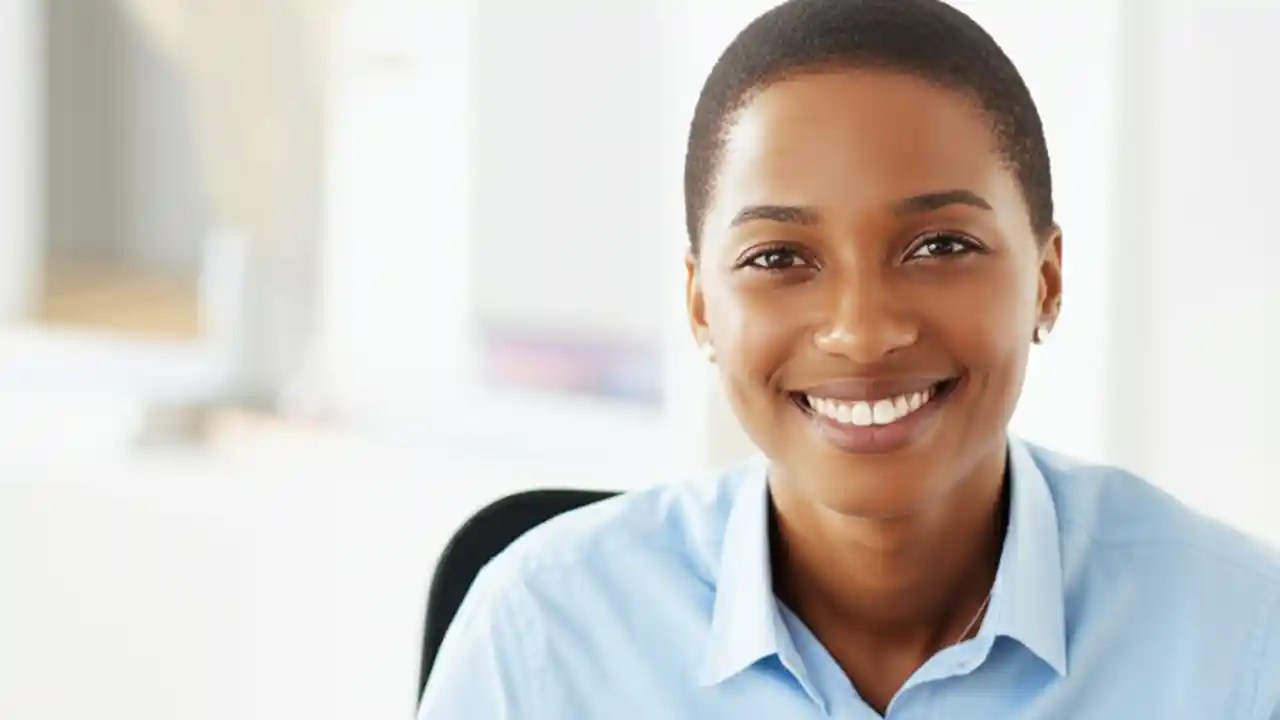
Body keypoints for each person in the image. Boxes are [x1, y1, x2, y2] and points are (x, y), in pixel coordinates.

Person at [418, 0, 1280, 717]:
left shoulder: (1239, 639)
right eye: (777, 258)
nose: (862, 333)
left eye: (941, 245)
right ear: (700, 305)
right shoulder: (541, 639)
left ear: (1047, 281)